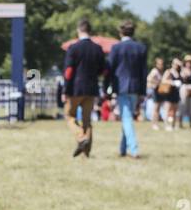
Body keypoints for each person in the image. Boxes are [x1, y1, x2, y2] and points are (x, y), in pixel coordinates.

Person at [62, 20, 107, 156]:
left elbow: (69, 71)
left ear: (78, 30)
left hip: (76, 89)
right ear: (90, 31)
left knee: (69, 115)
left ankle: (81, 138)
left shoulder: (73, 48)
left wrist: (65, 90)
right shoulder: (98, 49)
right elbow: (104, 70)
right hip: (92, 88)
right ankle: (86, 152)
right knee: (87, 120)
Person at [106, 19, 147, 159]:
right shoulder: (140, 48)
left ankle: (133, 149)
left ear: (120, 32)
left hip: (121, 87)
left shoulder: (116, 48)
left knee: (126, 117)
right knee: (126, 116)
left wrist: (107, 88)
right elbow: (143, 72)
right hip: (135, 87)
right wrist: (143, 91)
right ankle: (123, 149)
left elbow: (109, 70)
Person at [158, 57, 179, 131]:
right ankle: (166, 125)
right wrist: (172, 82)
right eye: (175, 64)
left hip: (176, 93)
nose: (176, 65)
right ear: (172, 64)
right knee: (168, 109)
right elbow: (163, 80)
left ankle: (173, 125)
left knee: (175, 109)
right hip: (169, 92)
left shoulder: (178, 72)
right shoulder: (169, 71)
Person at [145, 56, 164, 129]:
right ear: (156, 64)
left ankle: (156, 123)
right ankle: (154, 124)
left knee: (158, 108)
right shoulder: (155, 71)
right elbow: (149, 79)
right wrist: (157, 83)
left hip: (159, 91)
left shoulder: (160, 71)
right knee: (156, 108)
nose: (161, 65)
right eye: (159, 64)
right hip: (155, 91)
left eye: (162, 64)